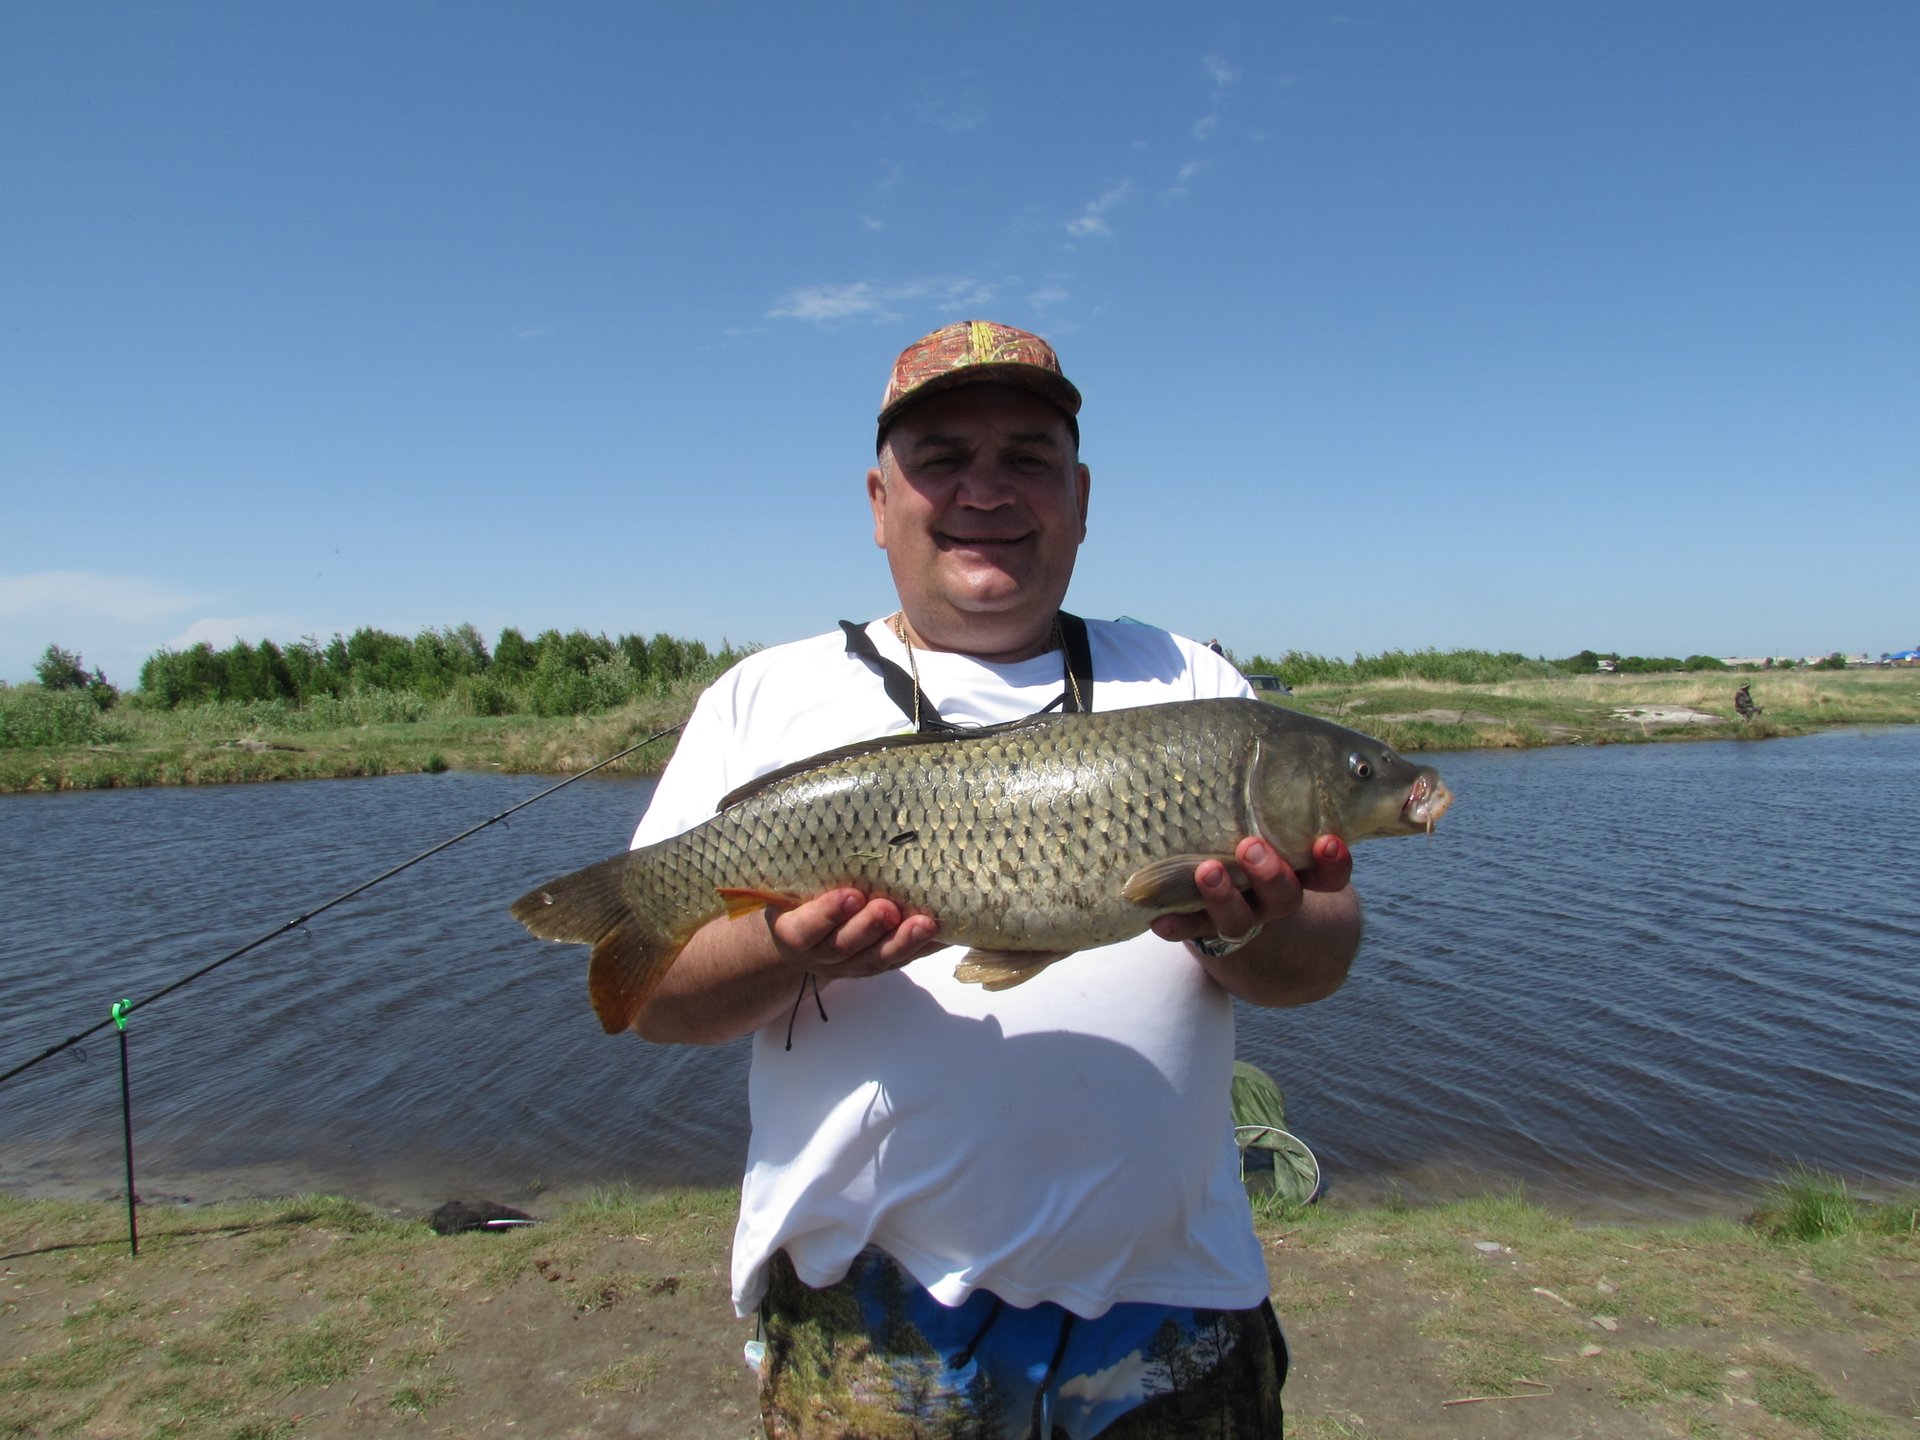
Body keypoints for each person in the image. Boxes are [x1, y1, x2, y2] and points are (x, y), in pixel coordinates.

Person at [629, 320, 1363, 1438]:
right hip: (868, 1320)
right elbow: (655, 999)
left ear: (1080, 496)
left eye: (1028, 457)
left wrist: (1241, 926)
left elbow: (1323, 957)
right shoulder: (762, 699)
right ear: (879, 501)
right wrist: (786, 948)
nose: (986, 489)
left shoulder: (1194, 682)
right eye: (942, 459)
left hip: (1173, 1298)